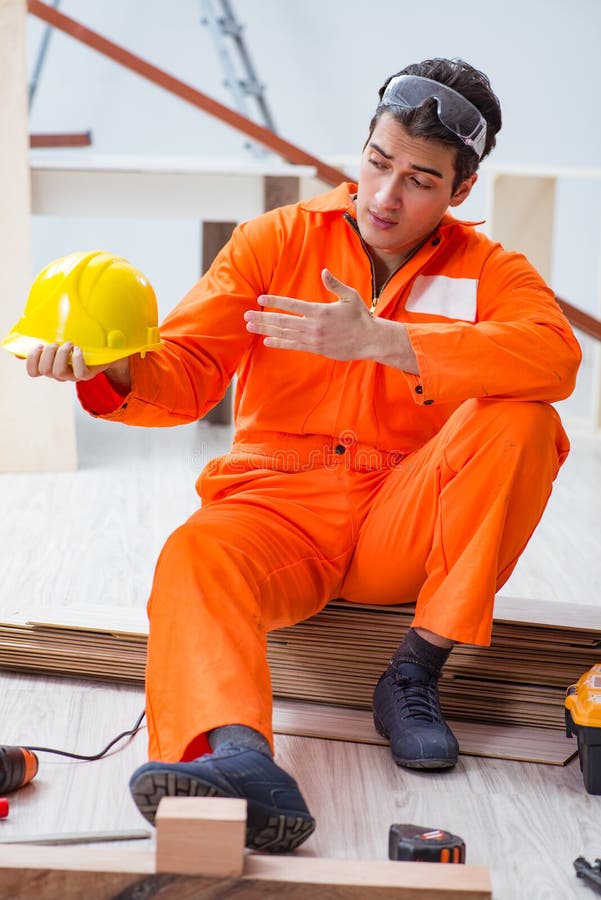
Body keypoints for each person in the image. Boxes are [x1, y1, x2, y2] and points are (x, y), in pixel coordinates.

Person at [24, 57, 581, 853]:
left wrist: (384, 341)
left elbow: (553, 360)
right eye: (378, 162)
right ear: (362, 148)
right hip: (279, 510)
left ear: (460, 191)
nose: (387, 195)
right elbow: (185, 373)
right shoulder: (275, 241)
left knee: (522, 419)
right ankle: (235, 761)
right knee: (193, 555)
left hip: (402, 522)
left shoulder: (491, 271)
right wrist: (112, 367)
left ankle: (413, 674)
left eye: (420, 180)